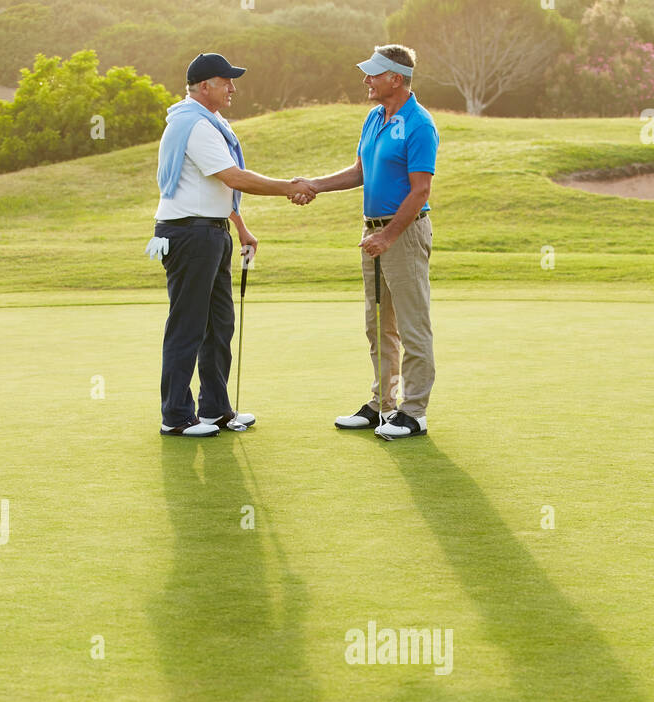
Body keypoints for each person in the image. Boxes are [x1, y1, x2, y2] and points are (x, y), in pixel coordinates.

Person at [149, 52, 314, 437]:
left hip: (211, 231)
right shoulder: (197, 126)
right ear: (205, 86)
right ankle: (175, 415)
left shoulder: (209, 121)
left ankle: (214, 409)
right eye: (227, 82)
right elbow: (234, 177)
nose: (233, 88)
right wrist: (290, 188)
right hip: (191, 234)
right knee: (188, 326)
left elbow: (217, 185)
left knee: (219, 324)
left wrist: (239, 226)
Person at [289, 45, 439, 440]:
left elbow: (420, 191)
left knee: (412, 326)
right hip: (373, 234)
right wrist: (315, 186)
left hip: (402, 235)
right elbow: (361, 171)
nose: (365, 80)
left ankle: (414, 412)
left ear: (395, 78)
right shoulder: (374, 118)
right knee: (378, 326)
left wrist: (388, 236)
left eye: (373, 74)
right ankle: (382, 406)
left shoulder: (419, 124)